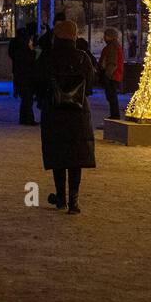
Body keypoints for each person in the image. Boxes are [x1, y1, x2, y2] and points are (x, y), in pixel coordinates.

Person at [34, 19, 97, 215]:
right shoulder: (82, 57)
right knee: (75, 157)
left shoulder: (47, 56)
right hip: (78, 114)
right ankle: (74, 202)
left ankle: (60, 197)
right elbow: (91, 85)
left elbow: (37, 81)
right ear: (74, 35)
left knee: (58, 154)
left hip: (54, 112)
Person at [8, 21, 37, 125]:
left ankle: (24, 118)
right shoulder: (25, 45)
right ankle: (28, 119)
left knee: (25, 97)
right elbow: (29, 59)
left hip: (19, 72)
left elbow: (11, 54)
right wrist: (33, 53)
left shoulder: (15, 43)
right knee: (27, 97)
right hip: (26, 73)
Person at [98, 27, 124, 120]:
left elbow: (112, 63)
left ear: (110, 36)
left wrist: (107, 75)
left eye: (106, 35)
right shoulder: (115, 46)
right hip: (115, 75)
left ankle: (114, 115)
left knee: (111, 96)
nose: (104, 37)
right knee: (112, 96)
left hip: (112, 76)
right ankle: (114, 115)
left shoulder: (111, 47)